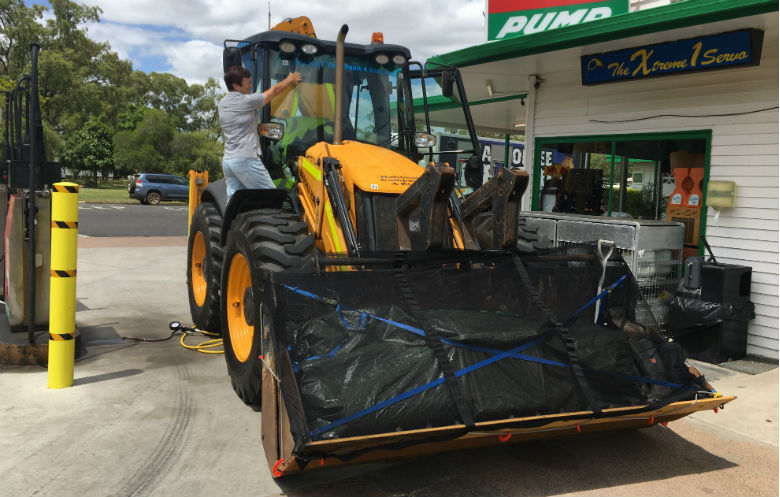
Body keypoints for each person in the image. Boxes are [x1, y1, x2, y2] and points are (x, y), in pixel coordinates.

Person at [218, 66, 302, 202]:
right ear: (235, 85)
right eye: (247, 83)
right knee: (271, 197)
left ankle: (231, 223)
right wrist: (289, 79)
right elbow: (273, 91)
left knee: (234, 202)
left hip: (229, 161)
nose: (250, 85)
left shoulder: (223, 103)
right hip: (245, 159)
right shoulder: (246, 101)